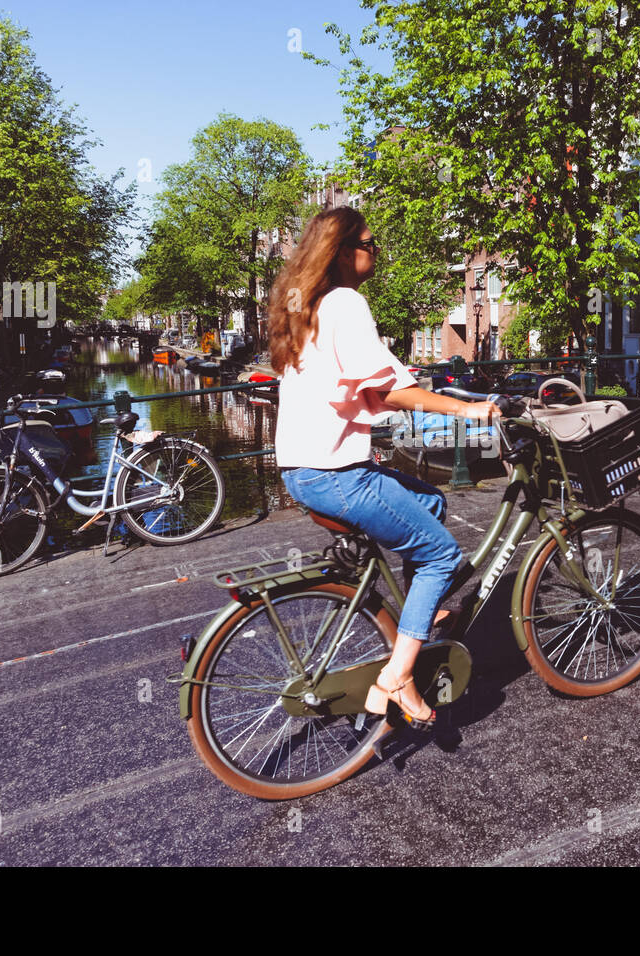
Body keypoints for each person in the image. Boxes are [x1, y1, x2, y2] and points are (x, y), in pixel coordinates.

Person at [268, 207, 500, 728]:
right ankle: (397, 677)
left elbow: (367, 388)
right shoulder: (346, 302)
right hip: (337, 475)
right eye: (371, 244)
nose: (377, 252)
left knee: (431, 501)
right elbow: (391, 388)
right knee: (441, 556)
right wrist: (467, 409)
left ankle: (421, 613)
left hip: (300, 471)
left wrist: (427, 396)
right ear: (345, 251)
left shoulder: (306, 308)